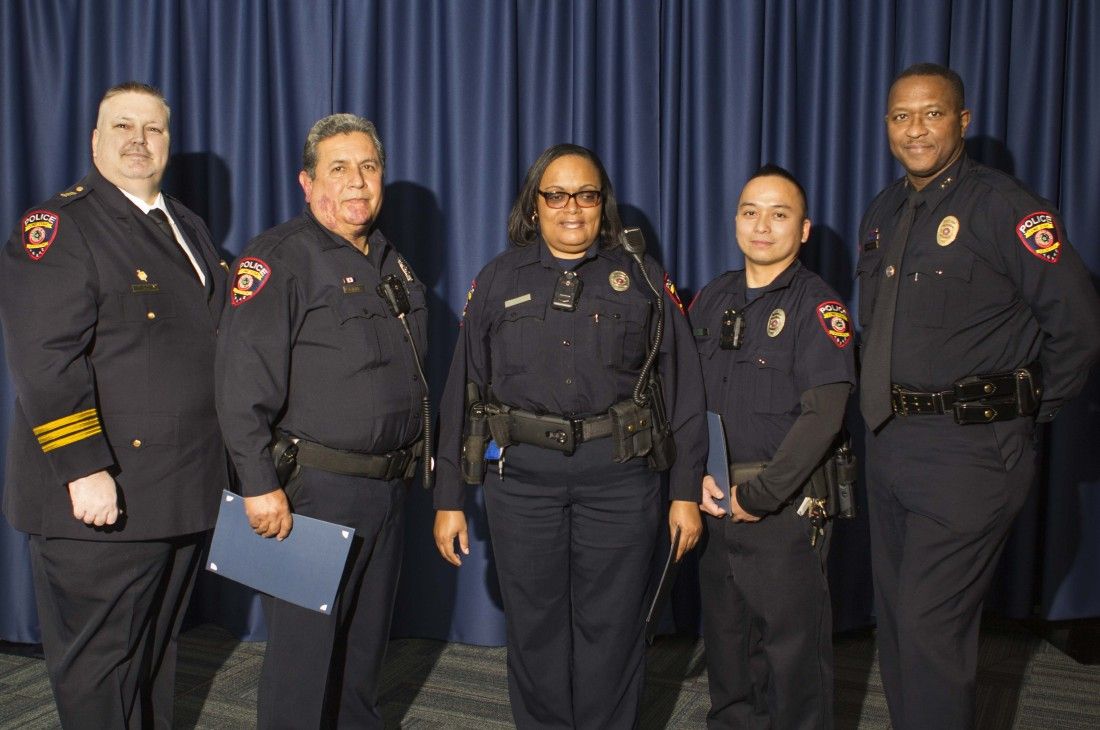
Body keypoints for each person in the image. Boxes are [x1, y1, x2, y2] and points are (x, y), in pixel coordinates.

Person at [857, 63, 1100, 730]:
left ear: (962, 121)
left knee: (932, 628)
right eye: (901, 116)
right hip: (891, 441)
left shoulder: (1004, 208)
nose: (915, 129)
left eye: (932, 113)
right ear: (887, 126)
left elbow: (1078, 323)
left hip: (970, 451)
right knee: (901, 627)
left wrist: (1021, 408)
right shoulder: (884, 210)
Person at [432, 143, 705, 729]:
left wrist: (684, 490)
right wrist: (449, 498)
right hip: (523, 481)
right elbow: (462, 392)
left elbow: (684, 392)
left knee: (614, 628)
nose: (571, 208)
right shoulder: (498, 279)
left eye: (586, 194)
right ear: (536, 205)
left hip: (620, 478)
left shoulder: (643, 277)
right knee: (535, 629)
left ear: (602, 204)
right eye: (556, 195)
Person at [0, 82, 229, 728]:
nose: (138, 140)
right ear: (95, 140)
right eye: (122, 126)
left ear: (168, 142)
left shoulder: (187, 225)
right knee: (100, 674)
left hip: (179, 493)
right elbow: (44, 359)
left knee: (153, 660)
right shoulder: (59, 227)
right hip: (102, 501)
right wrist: (81, 466)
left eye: (152, 129)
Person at [215, 114, 427, 728]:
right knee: (303, 665)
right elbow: (239, 383)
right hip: (311, 493)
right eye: (339, 169)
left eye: (368, 167)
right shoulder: (279, 259)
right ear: (307, 183)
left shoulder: (392, 261)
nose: (357, 182)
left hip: (385, 489)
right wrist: (258, 484)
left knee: (362, 659)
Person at [691, 165, 855, 729]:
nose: (762, 226)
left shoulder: (819, 307)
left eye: (779, 214)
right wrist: (694, 476)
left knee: (793, 662)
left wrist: (760, 497)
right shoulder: (712, 298)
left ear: (803, 229)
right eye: (750, 211)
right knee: (728, 652)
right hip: (715, 502)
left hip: (784, 510)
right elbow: (688, 400)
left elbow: (824, 417)